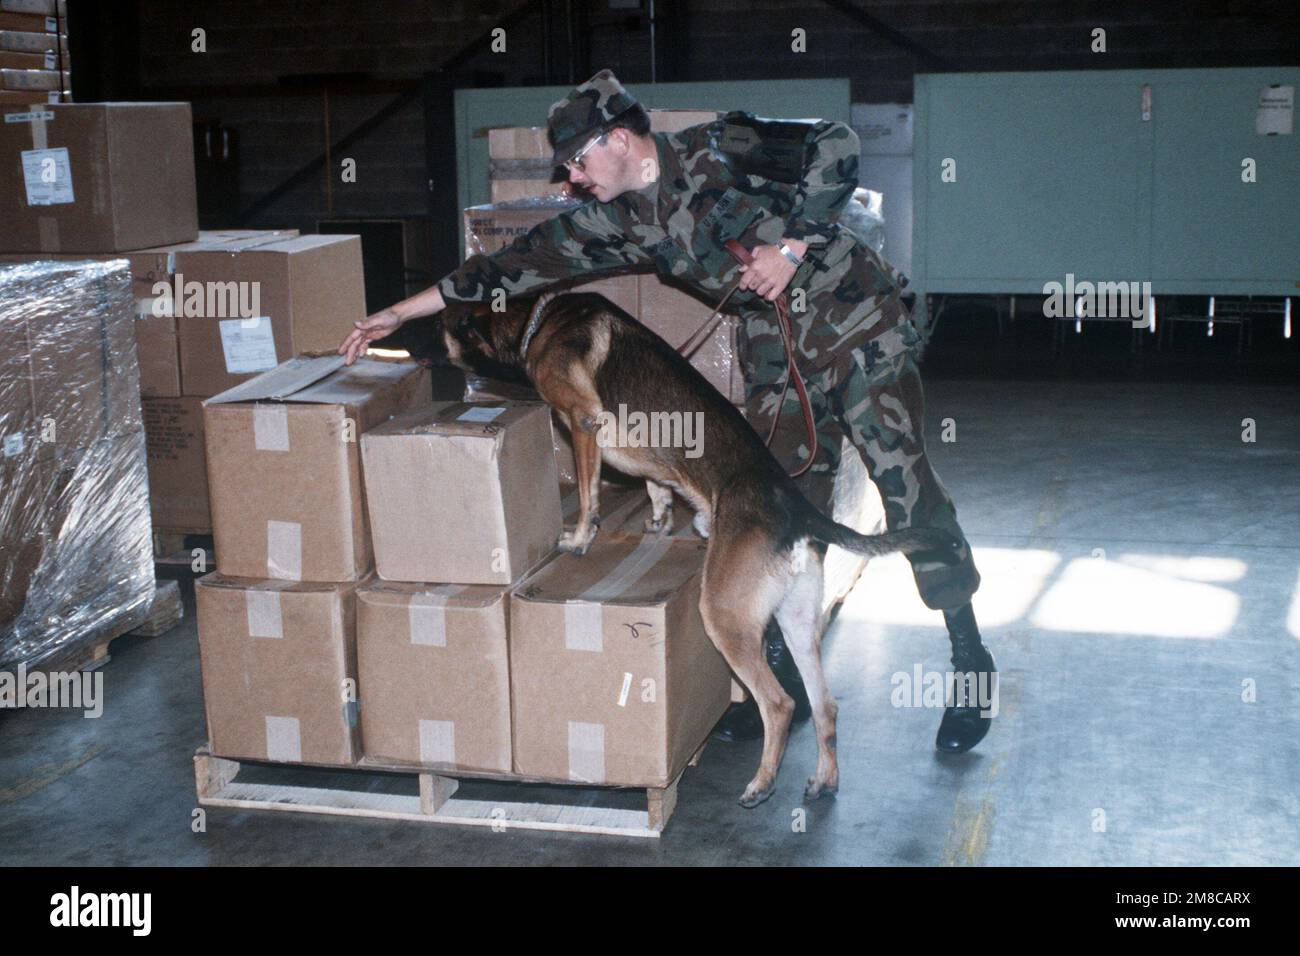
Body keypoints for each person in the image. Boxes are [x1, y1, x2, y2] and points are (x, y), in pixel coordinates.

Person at [338, 69, 996, 754]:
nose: (572, 178)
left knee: (905, 489)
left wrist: (791, 247)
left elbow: (836, 142)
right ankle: (784, 684)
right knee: (775, 499)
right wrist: (399, 311)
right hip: (775, 350)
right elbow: (510, 265)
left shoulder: (722, 145)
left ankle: (968, 659)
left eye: (578, 160)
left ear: (620, 138)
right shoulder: (617, 220)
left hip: (855, 323)